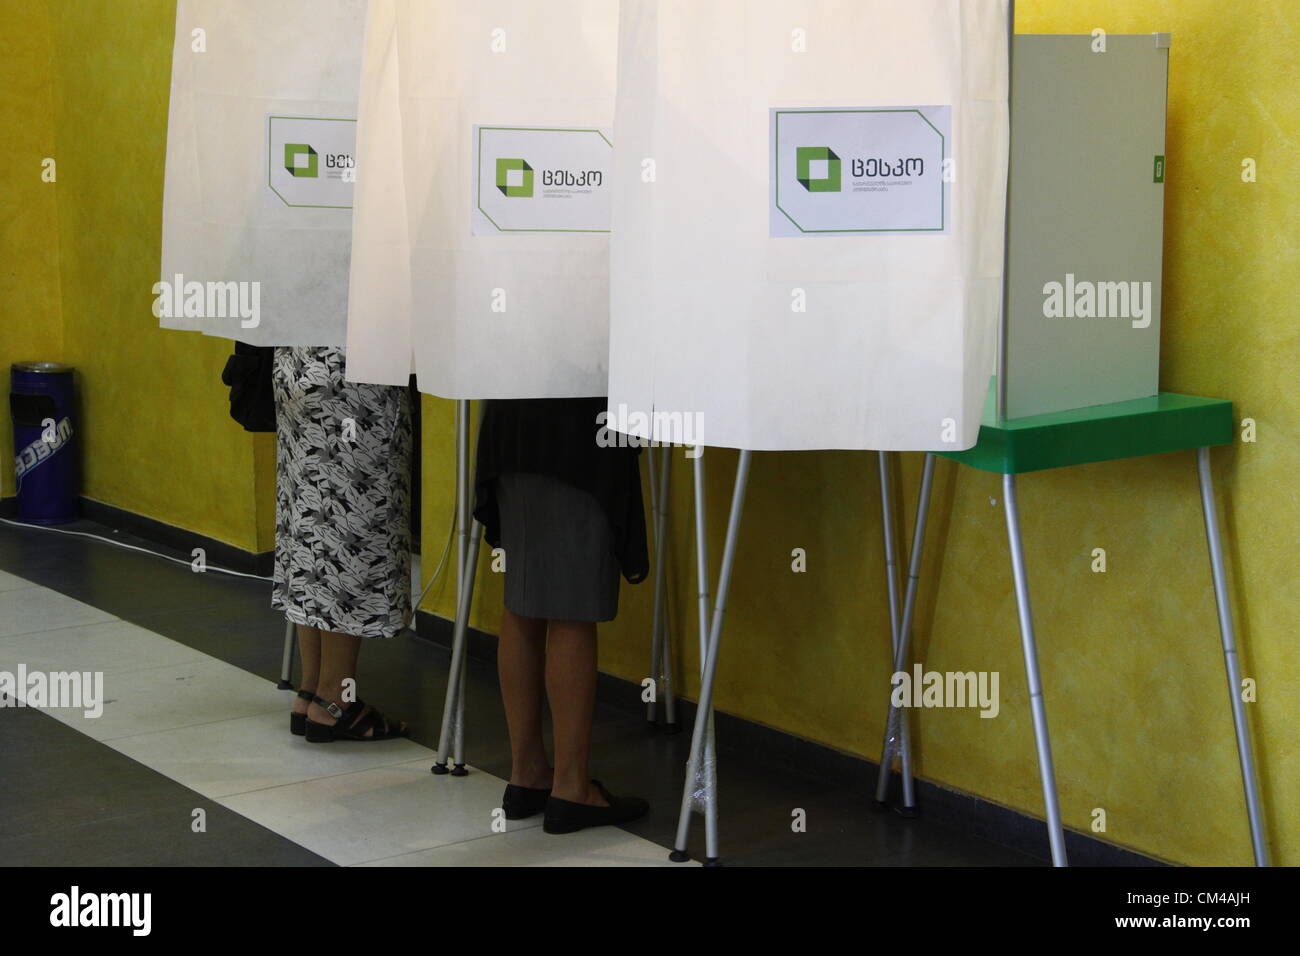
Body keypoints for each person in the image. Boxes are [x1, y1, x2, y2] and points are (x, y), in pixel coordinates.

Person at [473, 397, 650, 833]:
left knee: (523, 596)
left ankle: (526, 773)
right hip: (575, 420)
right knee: (572, 607)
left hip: (509, 414)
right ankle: (572, 788)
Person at [273, 346, 412, 741]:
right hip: (355, 371)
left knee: (312, 526)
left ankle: (312, 689)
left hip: (297, 363)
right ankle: (335, 701)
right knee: (349, 532)